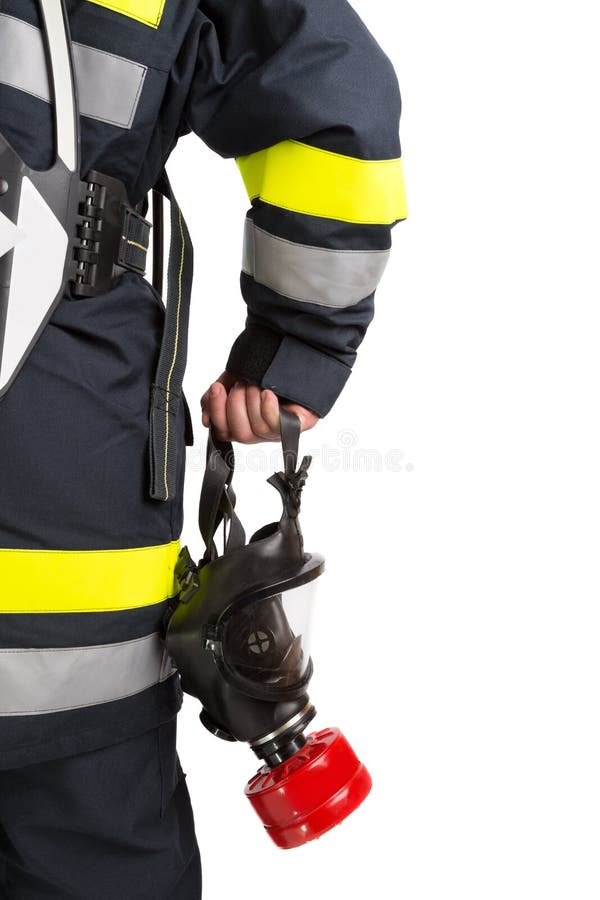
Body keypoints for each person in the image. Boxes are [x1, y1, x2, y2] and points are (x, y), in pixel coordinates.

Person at [0, 0, 406, 896]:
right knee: (90, 851)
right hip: (60, 536)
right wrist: (290, 353)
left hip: (62, 540)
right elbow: (330, 104)